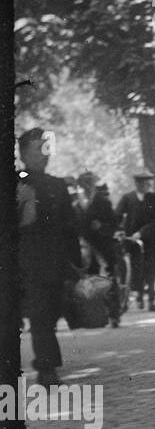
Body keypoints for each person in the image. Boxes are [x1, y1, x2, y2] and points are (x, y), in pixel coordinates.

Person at [17, 128, 82, 386]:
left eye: (46, 150)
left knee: (51, 313)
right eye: (37, 151)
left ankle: (47, 364)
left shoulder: (57, 185)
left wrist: (77, 264)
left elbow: (70, 226)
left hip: (56, 261)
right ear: (23, 155)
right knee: (40, 315)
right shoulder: (16, 181)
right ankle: (47, 368)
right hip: (27, 262)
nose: (44, 156)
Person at [116, 172, 155, 311]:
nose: (143, 186)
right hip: (132, 242)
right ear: (136, 184)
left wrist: (141, 233)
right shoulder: (127, 198)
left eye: (145, 184)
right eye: (139, 184)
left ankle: (151, 300)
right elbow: (117, 215)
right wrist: (119, 231)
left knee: (151, 269)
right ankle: (140, 297)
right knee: (137, 270)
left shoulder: (154, 198)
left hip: (150, 240)